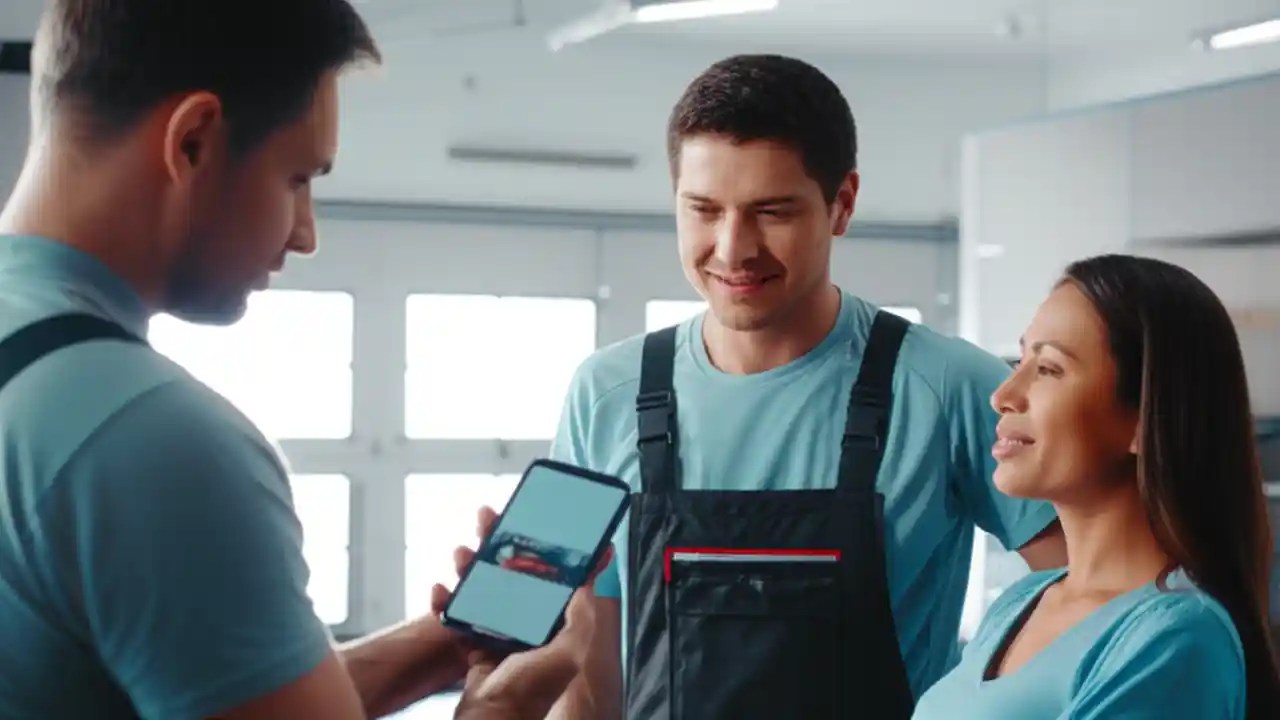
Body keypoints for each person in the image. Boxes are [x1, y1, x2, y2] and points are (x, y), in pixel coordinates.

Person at [0, 1, 592, 718]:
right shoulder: (151, 441)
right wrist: (502, 708)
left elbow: (222, 686)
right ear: (193, 141)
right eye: (299, 178)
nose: (305, 234)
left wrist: (449, 640)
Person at [541, 53, 1068, 720]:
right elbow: (578, 647)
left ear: (842, 203)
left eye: (771, 212)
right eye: (703, 210)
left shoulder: (952, 387)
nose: (733, 248)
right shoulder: (600, 393)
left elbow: (1100, 596)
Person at [912, 254, 1280, 719]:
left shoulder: (1174, 639)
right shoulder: (1021, 602)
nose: (1003, 395)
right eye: (1021, 360)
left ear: (1145, 419)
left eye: (1048, 369)